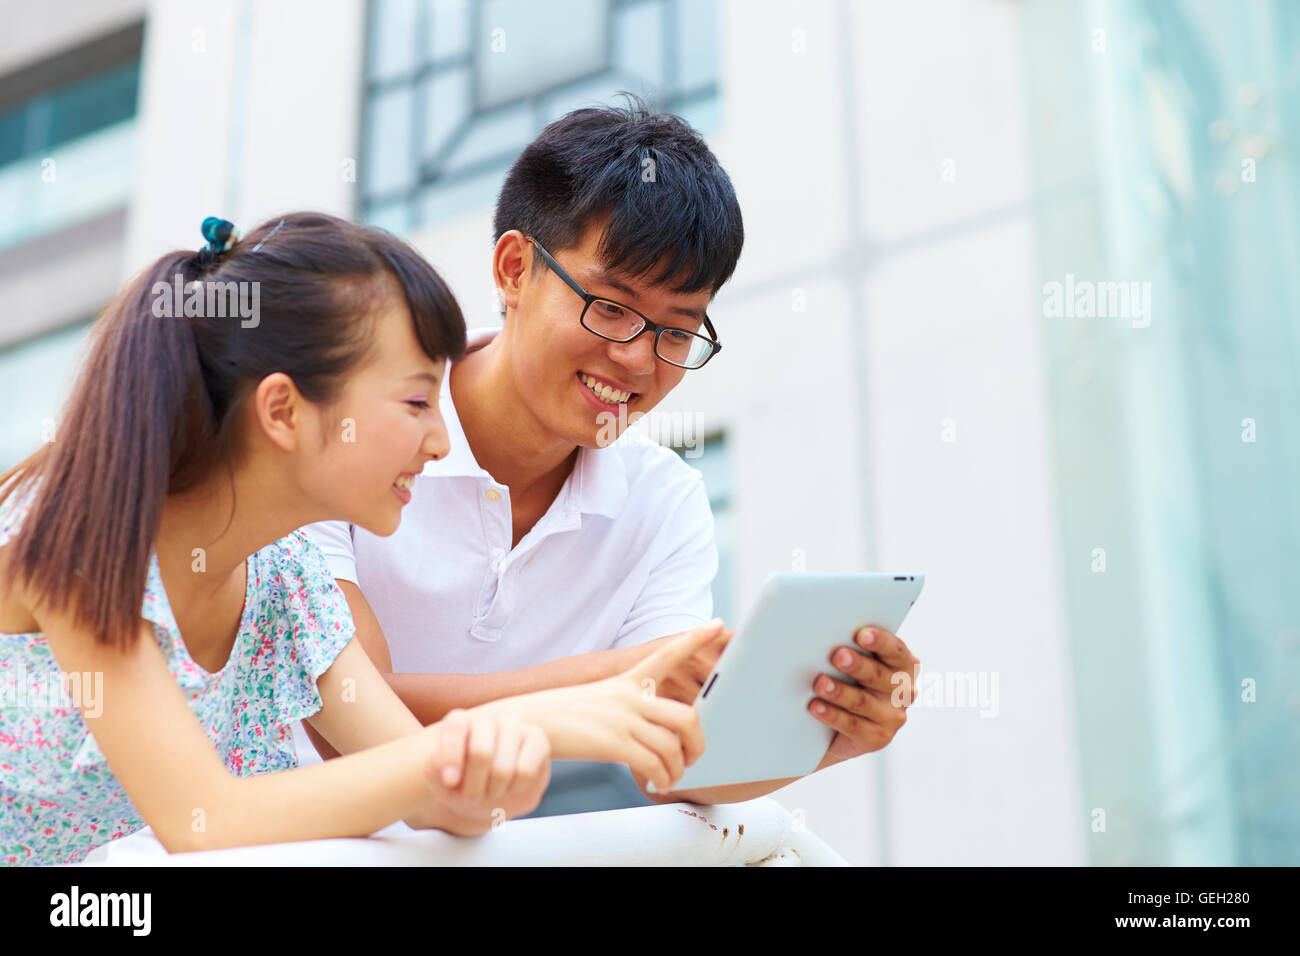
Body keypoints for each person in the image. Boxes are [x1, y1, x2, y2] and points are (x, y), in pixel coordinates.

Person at [0, 211, 716, 865]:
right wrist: (551, 719)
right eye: (414, 402)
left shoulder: (292, 581)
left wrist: (482, 773)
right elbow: (203, 816)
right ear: (283, 410)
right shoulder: (73, 533)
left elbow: (423, 787)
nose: (439, 442)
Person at [303, 97, 921, 810]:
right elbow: (344, 713)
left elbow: (675, 762)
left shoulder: (663, 503)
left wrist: (823, 732)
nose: (635, 359)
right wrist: (618, 682)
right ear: (513, 269)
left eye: (676, 331)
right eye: (612, 308)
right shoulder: (355, 419)